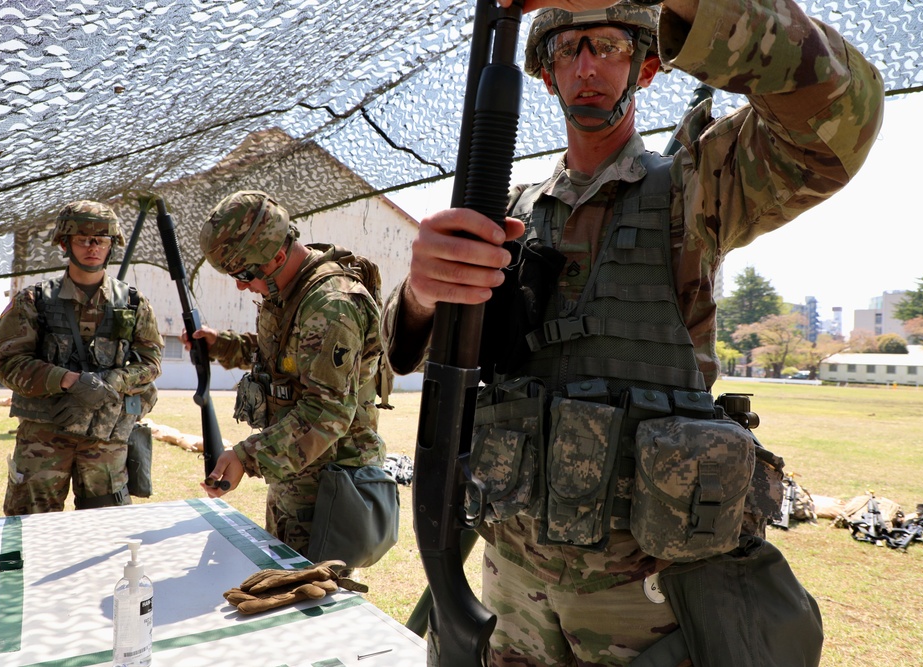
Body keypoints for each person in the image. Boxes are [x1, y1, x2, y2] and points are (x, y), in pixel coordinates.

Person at [382, 0, 883, 664]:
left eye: (609, 46)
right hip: (512, 593)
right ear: (545, 74)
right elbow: (403, 348)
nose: (587, 65)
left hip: (645, 605)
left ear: (648, 67)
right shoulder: (505, 215)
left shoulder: (693, 189)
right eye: (568, 50)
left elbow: (844, 113)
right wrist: (422, 289)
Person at [190, 190, 393, 565]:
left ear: (278, 256)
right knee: (283, 580)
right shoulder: (288, 290)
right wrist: (221, 344)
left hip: (330, 489)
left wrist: (246, 457)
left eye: (243, 274)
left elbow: (326, 413)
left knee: (315, 599)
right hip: (296, 473)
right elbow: (280, 356)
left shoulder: (330, 305)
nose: (240, 285)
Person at [0, 200, 163, 515]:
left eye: (101, 239)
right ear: (64, 243)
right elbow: (9, 363)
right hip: (45, 436)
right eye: (83, 239)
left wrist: (112, 380)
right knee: (32, 527)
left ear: (112, 245)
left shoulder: (133, 303)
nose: (93, 246)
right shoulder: (34, 301)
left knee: (105, 531)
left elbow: (151, 363)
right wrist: (69, 380)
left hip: (106, 436)